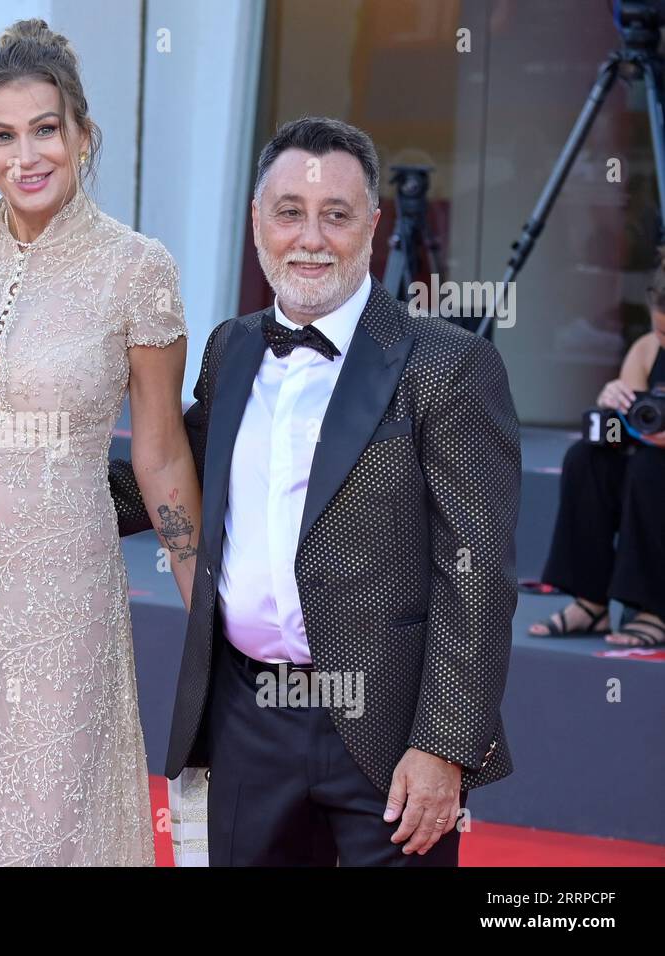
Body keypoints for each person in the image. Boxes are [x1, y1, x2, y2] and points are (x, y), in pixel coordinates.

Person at [111, 116, 520, 866]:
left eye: (336, 214)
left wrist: (444, 745)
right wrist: (16, 473)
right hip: (247, 716)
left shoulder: (448, 365)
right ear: (258, 223)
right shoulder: (231, 347)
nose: (310, 237)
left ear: (371, 225)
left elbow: (479, 577)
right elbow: (168, 475)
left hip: (390, 730)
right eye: (290, 212)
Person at [0, 19, 200, 865]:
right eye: (1, 136)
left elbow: (159, 451)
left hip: (61, 588)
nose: (27, 156)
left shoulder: (138, 267)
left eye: (45, 129)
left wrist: (207, 603)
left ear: (83, 134)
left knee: (46, 813)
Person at [528, 281, 665, 647]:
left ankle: (654, 608)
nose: (662, 339)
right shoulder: (647, 349)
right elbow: (632, 432)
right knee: (587, 458)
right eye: (659, 329)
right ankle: (591, 602)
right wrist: (614, 404)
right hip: (649, 461)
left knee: (651, 464)